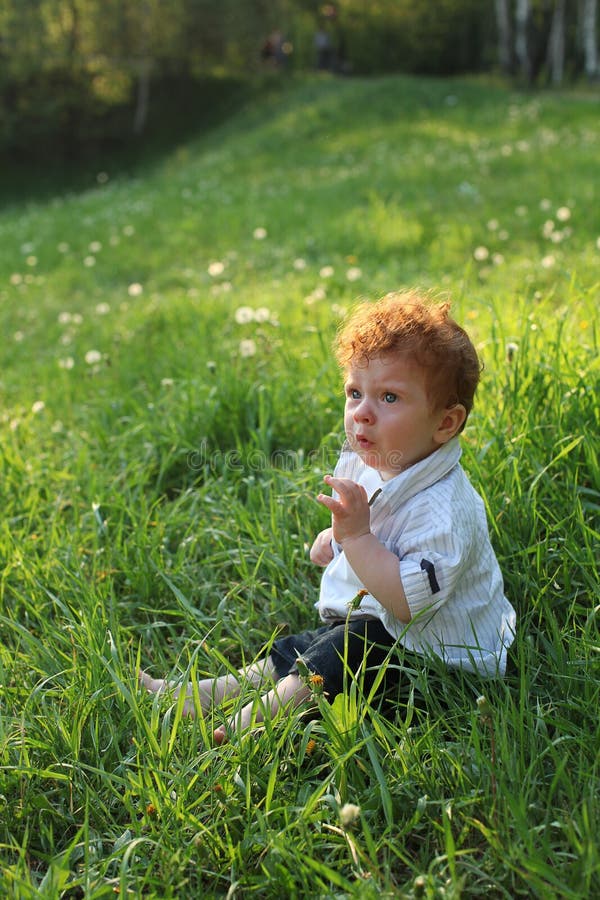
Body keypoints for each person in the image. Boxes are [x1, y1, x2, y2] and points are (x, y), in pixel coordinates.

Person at [140, 290, 516, 743]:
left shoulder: (444, 510)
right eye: (354, 392)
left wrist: (356, 539)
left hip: (437, 656)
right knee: (304, 647)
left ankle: (251, 723)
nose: (362, 413)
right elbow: (372, 529)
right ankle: (206, 693)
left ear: (444, 424)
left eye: (389, 397)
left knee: (345, 654)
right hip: (381, 624)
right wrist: (337, 538)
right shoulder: (373, 459)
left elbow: (407, 606)